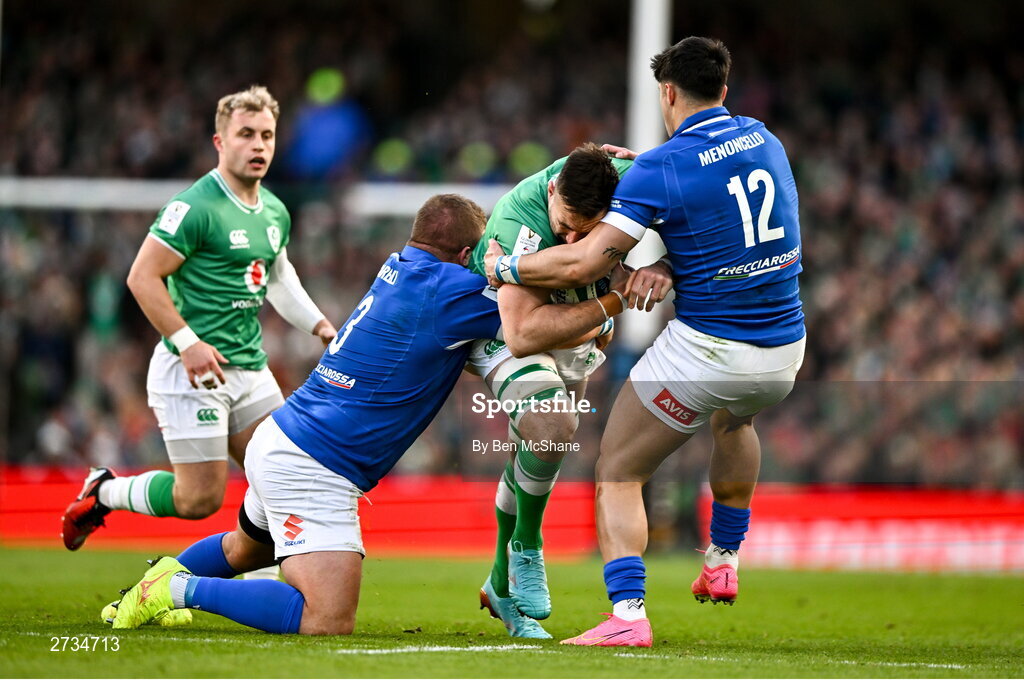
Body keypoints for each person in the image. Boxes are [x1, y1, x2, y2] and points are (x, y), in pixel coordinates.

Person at [108, 194, 636, 635]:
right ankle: (176, 588)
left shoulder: (399, 266)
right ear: (467, 252)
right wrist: (611, 304)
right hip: (315, 466)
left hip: (287, 438)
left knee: (245, 548)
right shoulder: (452, 291)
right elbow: (540, 324)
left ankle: (134, 596)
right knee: (326, 618)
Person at [485, 37, 806, 647]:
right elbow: (742, 227)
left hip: (711, 348)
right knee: (735, 424)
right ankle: (722, 560)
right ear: (724, 91)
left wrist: (505, 270)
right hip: (785, 348)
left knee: (617, 471)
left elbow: (580, 265)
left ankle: (627, 615)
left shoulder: (662, 168)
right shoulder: (766, 139)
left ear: (667, 92)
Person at [61, 86, 336, 551]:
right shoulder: (193, 208)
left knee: (284, 474)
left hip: (250, 369)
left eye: (266, 136)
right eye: (245, 134)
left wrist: (321, 327)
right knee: (199, 499)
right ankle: (103, 490)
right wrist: (187, 342)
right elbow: (142, 277)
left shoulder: (274, 210)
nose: (258, 146)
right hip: (193, 372)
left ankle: (267, 577)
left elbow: (279, 279)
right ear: (219, 142)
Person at [466, 143, 672, 638]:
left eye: (589, 227)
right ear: (552, 189)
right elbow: (522, 334)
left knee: (536, 448)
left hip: (573, 323)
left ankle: (500, 585)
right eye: (566, 224)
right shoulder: (520, 223)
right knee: (553, 424)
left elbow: (691, 187)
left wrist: (664, 264)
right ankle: (528, 545)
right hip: (504, 332)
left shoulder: (625, 177)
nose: (575, 236)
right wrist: (615, 301)